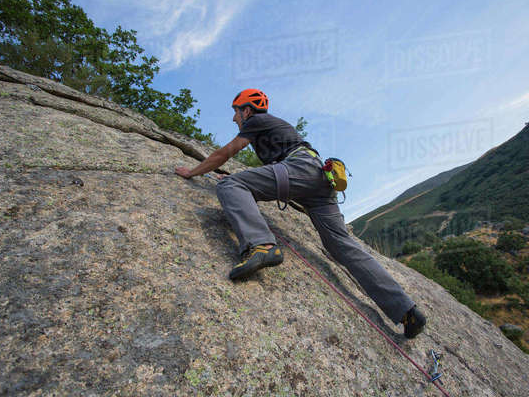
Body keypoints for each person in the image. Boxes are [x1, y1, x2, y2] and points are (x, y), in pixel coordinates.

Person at [174, 89, 426, 338]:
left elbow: (225, 153)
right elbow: (270, 172)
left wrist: (193, 172)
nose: (234, 118)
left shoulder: (256, 121)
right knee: (341, 245)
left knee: (230, 185)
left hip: (298, 170)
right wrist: (243, 177)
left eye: (236, 112)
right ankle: (406, 311)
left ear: (247, 110)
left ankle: (261, 246)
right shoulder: (272, 127)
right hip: (317, 177)